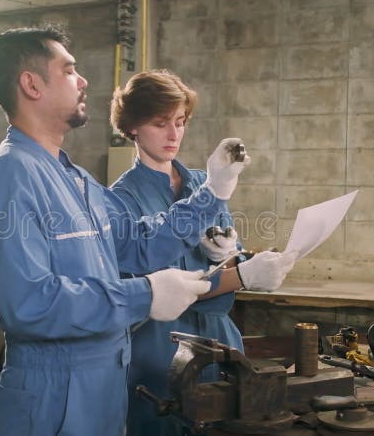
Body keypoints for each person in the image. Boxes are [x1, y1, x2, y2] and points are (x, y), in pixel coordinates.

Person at [0, 26, 250, 436]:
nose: (83, 81)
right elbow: (28, 303)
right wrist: (146, 294)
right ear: (31, 84)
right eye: (68, 71)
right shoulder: (11, 175)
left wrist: (213, 192)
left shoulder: (75, 179)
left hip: (101, 386)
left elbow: (139, 245)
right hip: (55, 393)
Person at [109, 70, 298, 436]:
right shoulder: (120, 201)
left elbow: (230, 255)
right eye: (160, 123)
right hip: (162, 351)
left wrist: (232, 256)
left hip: (220, 341)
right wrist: (243, 274)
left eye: (180, 122)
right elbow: (163, 291)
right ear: (132, 127)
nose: (173, 134)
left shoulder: (203, 181)